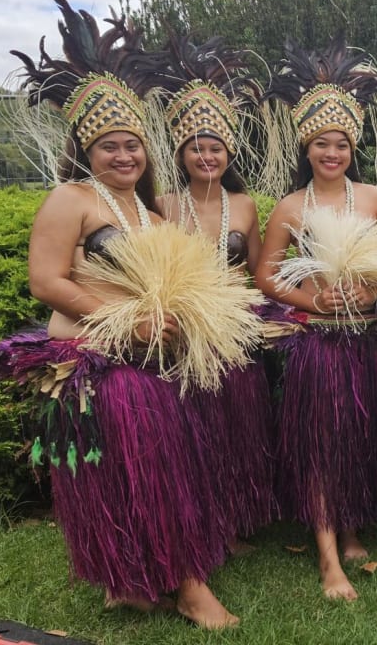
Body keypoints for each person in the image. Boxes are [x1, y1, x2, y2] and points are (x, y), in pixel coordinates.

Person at [0, 0, 240, 629]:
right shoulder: (69, 199)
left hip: (146, 361)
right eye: (109, 147)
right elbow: (46, 281)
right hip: (90, 360)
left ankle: (156, 581)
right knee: (122, 474)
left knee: (159, 467)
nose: (124, 157)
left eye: (133, 146)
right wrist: (124, 321)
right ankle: (169, 586)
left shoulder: (148, 214)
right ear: (86, 150)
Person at [254, 35, 377, 601]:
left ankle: (350, 530)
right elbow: (266, 275)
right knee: (321, 444)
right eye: (322, 143)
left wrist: (372, 289)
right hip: (318, 344)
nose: (332, 153)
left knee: (358, 437)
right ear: (307, 146)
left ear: (352, 148)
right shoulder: (291, 207)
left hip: (367, 342)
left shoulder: (373, 199)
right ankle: (327, 559)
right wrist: (312, 300)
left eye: (341, 144)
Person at [155, 36, 275, 553]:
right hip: (183, 336)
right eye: (196, 148)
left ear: (228, 154)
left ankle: (235, 521)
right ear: (181, 154)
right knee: (194, 429)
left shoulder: (244, 206)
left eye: (215, 148)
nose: (206, 156)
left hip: (232, 331)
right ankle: (202, 524)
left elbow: (257, 271)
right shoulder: (161, 204)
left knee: (236, 427)